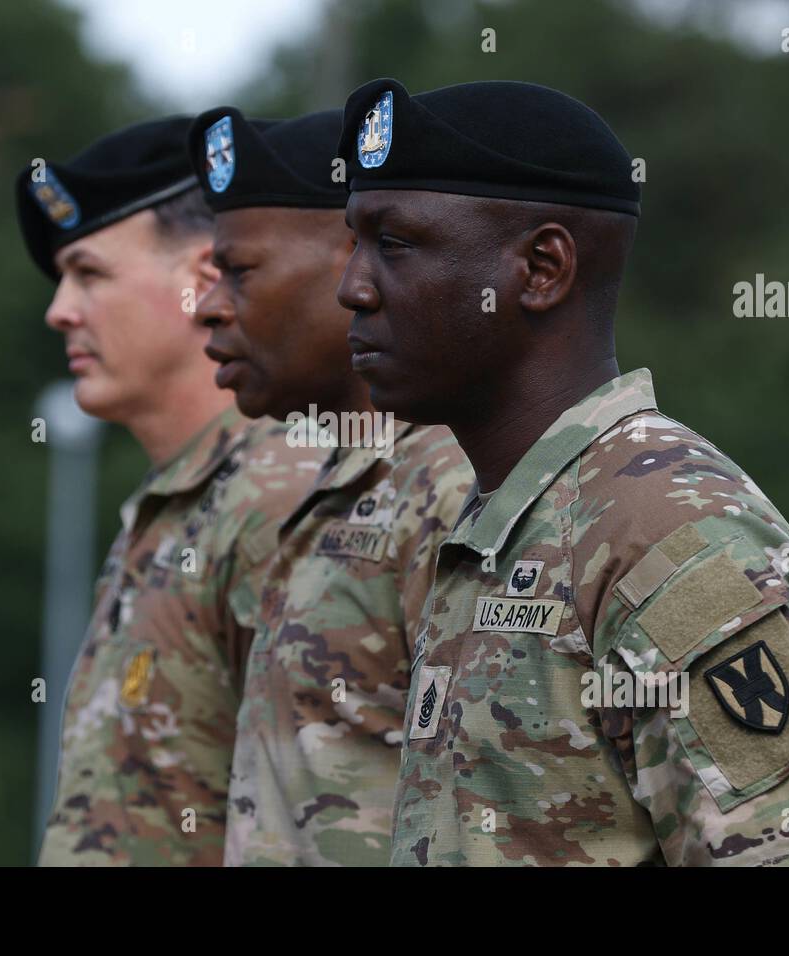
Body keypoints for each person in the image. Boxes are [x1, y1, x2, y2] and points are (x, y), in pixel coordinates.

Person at [336, 78, 789, 866]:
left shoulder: (667, 533)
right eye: (356, 240)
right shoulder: (504, 525)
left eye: (396, 243)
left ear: (542, 269)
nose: (352, 284)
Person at [16, 117, 325, 865]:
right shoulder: (174, 504)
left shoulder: (281, 494)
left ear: (200, 281)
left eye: (89, 274)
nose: (60, 309)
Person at [188, 107, 474, 865]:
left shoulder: (451, 486)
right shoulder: (337, 482)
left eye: (239, 270)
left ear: (352, 263)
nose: (210, 305)